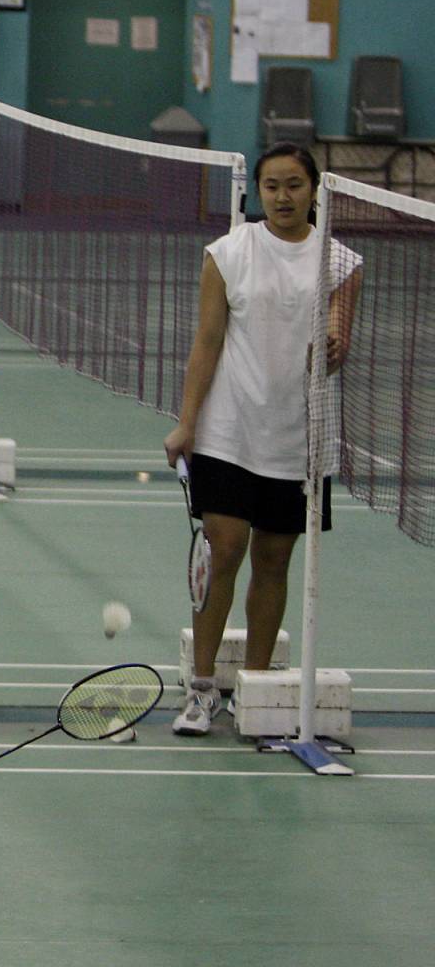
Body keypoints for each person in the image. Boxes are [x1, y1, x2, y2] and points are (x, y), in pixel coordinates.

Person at [163, 143, 362, 736]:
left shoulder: (341, 262)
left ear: (314, 191)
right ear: (258, 192)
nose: (282, 196)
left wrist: (335, 344)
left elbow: (338, 341)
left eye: (294, 184)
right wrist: (186, 421)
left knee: (274, 561)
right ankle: (201, 689)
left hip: (300, 437)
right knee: (225, 551)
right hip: (229, 429)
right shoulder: (228, 253)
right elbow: (207, 341)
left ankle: (254, 690)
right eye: (272, 185)